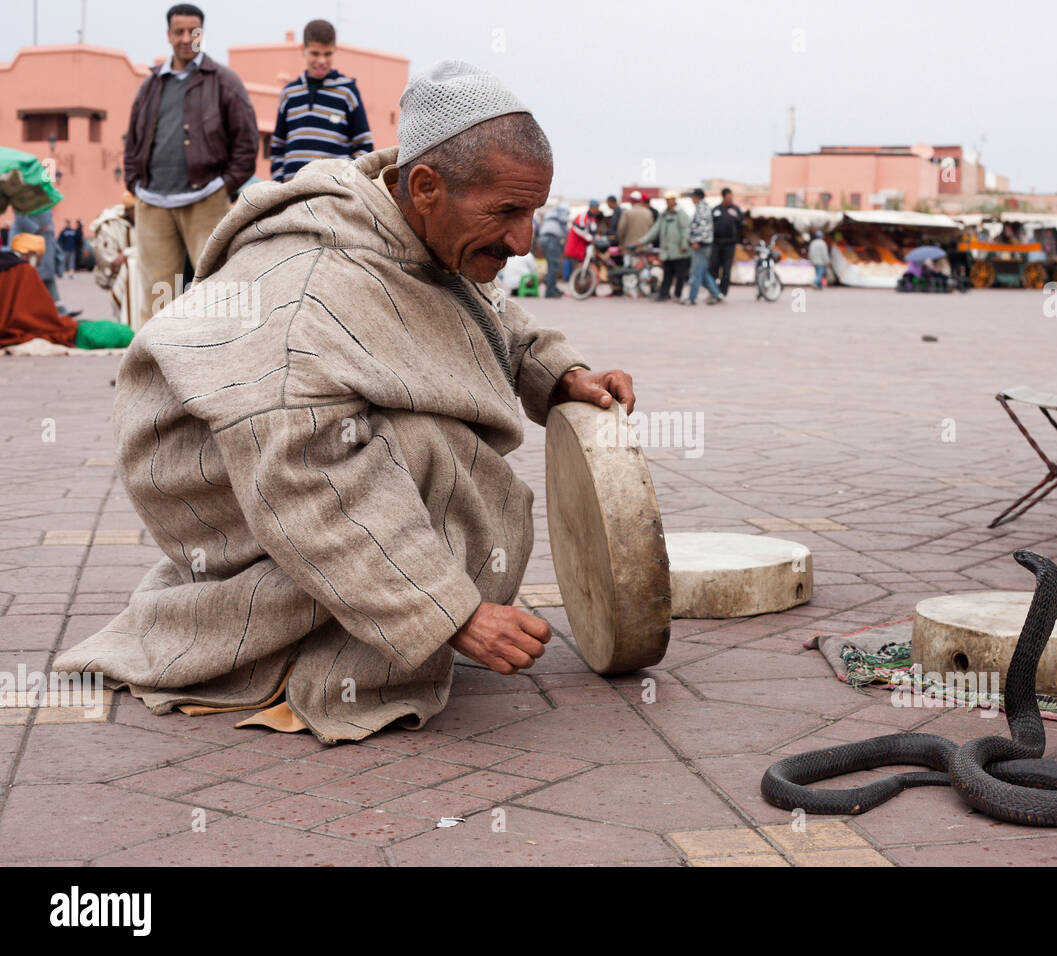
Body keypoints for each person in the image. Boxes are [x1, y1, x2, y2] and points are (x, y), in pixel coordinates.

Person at [52, 60, 636, 744]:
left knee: (427, 452)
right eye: (507, 211)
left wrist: (559, 374)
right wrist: (450, 611)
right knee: (431, 458)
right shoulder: (316, 285)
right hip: (218, 470)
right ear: (424, 186)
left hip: (272, 439)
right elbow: (309, 477)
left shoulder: (407, 226)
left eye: (532, 211)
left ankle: (369, 607)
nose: (521, 239)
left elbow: (475, 315)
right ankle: (330, 657)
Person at [125, 4, 259, 320]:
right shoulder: (151, 84)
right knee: (158, 294)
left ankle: (217, 364)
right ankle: (153, 368)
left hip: (205, 200)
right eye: (179, 32)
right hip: (153, 203)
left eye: (193, 32)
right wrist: (134, 184)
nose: (187, 38)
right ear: (168, 35)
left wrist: (222, 186)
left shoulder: (224, 81)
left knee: (216, 288)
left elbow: (247, 143)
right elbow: (132, 139)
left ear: (202, 34)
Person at [270, 19, 374, 183]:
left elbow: (364, 146)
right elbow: (277, 147)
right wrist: (282, 182)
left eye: (327, 54)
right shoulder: (289, 94)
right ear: (302, 50)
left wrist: (343, 180)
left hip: (332, 194)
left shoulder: (347, 92)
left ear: (335, 50)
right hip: (292, 193)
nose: (321, 61)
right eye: (315, 54)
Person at [90, 193, 145, 329]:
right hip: (120, 277)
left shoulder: (150, 219)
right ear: (128, 210)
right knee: (131, 268)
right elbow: (112, 262)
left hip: (146, 276)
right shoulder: (109, 224)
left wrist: (127, 253)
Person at [635, 191, 691, 302]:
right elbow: (655, 231)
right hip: (667, 251)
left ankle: (677, 294)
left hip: (679, 251)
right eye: (667, 200)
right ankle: (664, 294)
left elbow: (686, 230)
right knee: (667, 273)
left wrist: (684, 244)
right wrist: (642, 241)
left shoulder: (681, 214)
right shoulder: (664, 215)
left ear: (674, 200)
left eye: (670, 199)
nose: (668, 202)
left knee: (680, 275)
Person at [684, 187, 723, 305]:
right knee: (703, 272)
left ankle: (692, 298)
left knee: (696, 272)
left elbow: (703, 228)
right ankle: (717, 294)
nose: (692, 200)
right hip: (702, 244)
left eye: (693, 197)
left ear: (697, 197)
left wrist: (698, 242)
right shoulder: (702, 208)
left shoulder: (702, 209)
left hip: (701, 245)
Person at [709, 187, 743, 294]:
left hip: (729, 245)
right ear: (723, 197)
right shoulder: (716, 210)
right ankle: (714, 291)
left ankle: (723, 292)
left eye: (731, 197)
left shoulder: (736, 210)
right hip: (716, 244)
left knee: (726, 270)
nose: (730, 199)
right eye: (728, 197)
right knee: (713, 267)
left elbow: (741, 225)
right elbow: (710, 225)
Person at [537, 201, 569, 297]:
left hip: (542, 238)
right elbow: (563, 222)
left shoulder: (551, 212)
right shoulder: (563, 209)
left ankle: (551, 286)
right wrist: (566, 234)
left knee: (551, 265)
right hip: (552, 239)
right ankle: (550, 292)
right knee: (553, 266)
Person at [564, 199, 600, 281]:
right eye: (596, 207)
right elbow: (578, 228)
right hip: (576, 248)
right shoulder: (583, 216)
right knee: (577, 269)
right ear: (592, 207)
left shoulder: (592, 219)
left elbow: (593, 233)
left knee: (585, 267)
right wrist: (588, 237)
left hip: (584, 250)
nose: (597, 210)